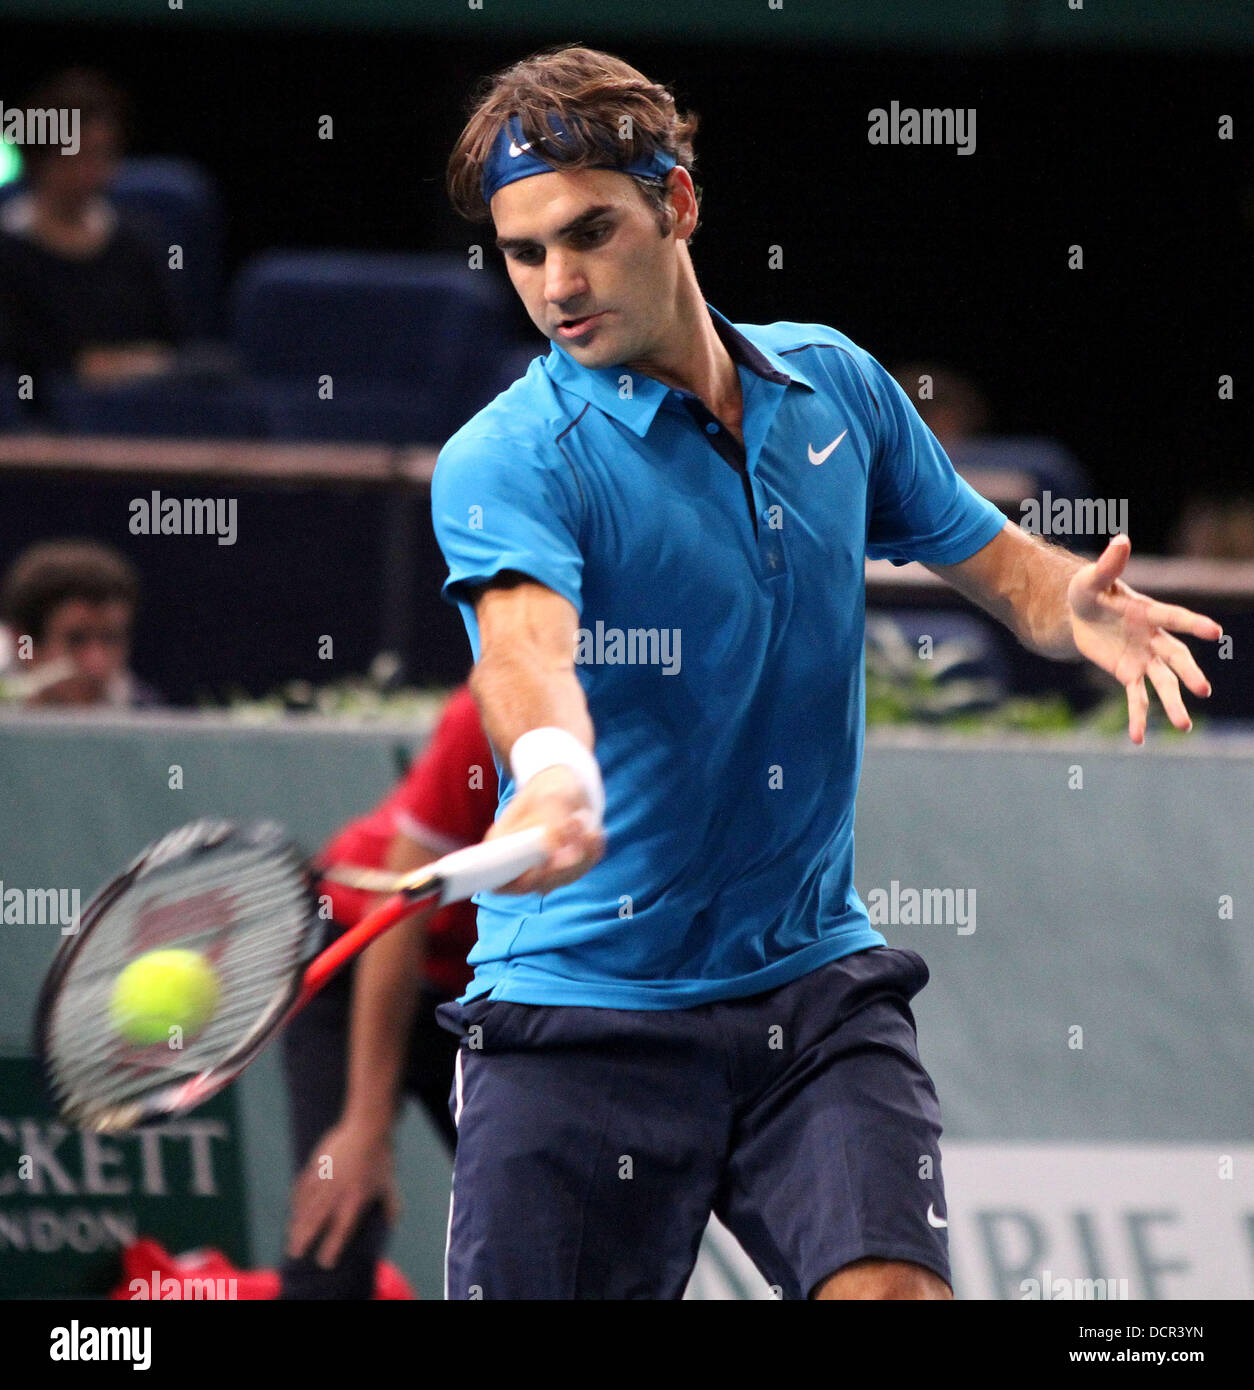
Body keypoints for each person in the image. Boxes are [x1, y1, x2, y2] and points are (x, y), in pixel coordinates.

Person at [430, 45, 1222, 1301]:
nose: (558, 285)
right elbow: (526, 641)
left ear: (678, 205)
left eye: (591, 231)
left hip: (808, 995)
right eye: (525, 253)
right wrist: (552, 766)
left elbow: (1005, 574)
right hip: (580, 1017)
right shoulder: (511, 457)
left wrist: (1070, 605)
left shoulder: (833, 387)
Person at [281, 684, 498, 1298]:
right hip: (364, 961)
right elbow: (398, 916)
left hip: (489, 1000)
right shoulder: (487, 711)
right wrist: (364, 1123)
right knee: (340, 1219)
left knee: (552, 1231)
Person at [0, 68, 182, 393]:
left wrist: (131, 367)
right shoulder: (9, 253)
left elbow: (173, 347)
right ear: (41, 157)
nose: (91, 173)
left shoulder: (138, 243)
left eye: (102, 155)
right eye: (77, 156)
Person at [0, 538, 162, 706]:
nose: (96, 664)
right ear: (23, 644)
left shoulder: (144, 709)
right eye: (76, 640)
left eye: (110, 638)